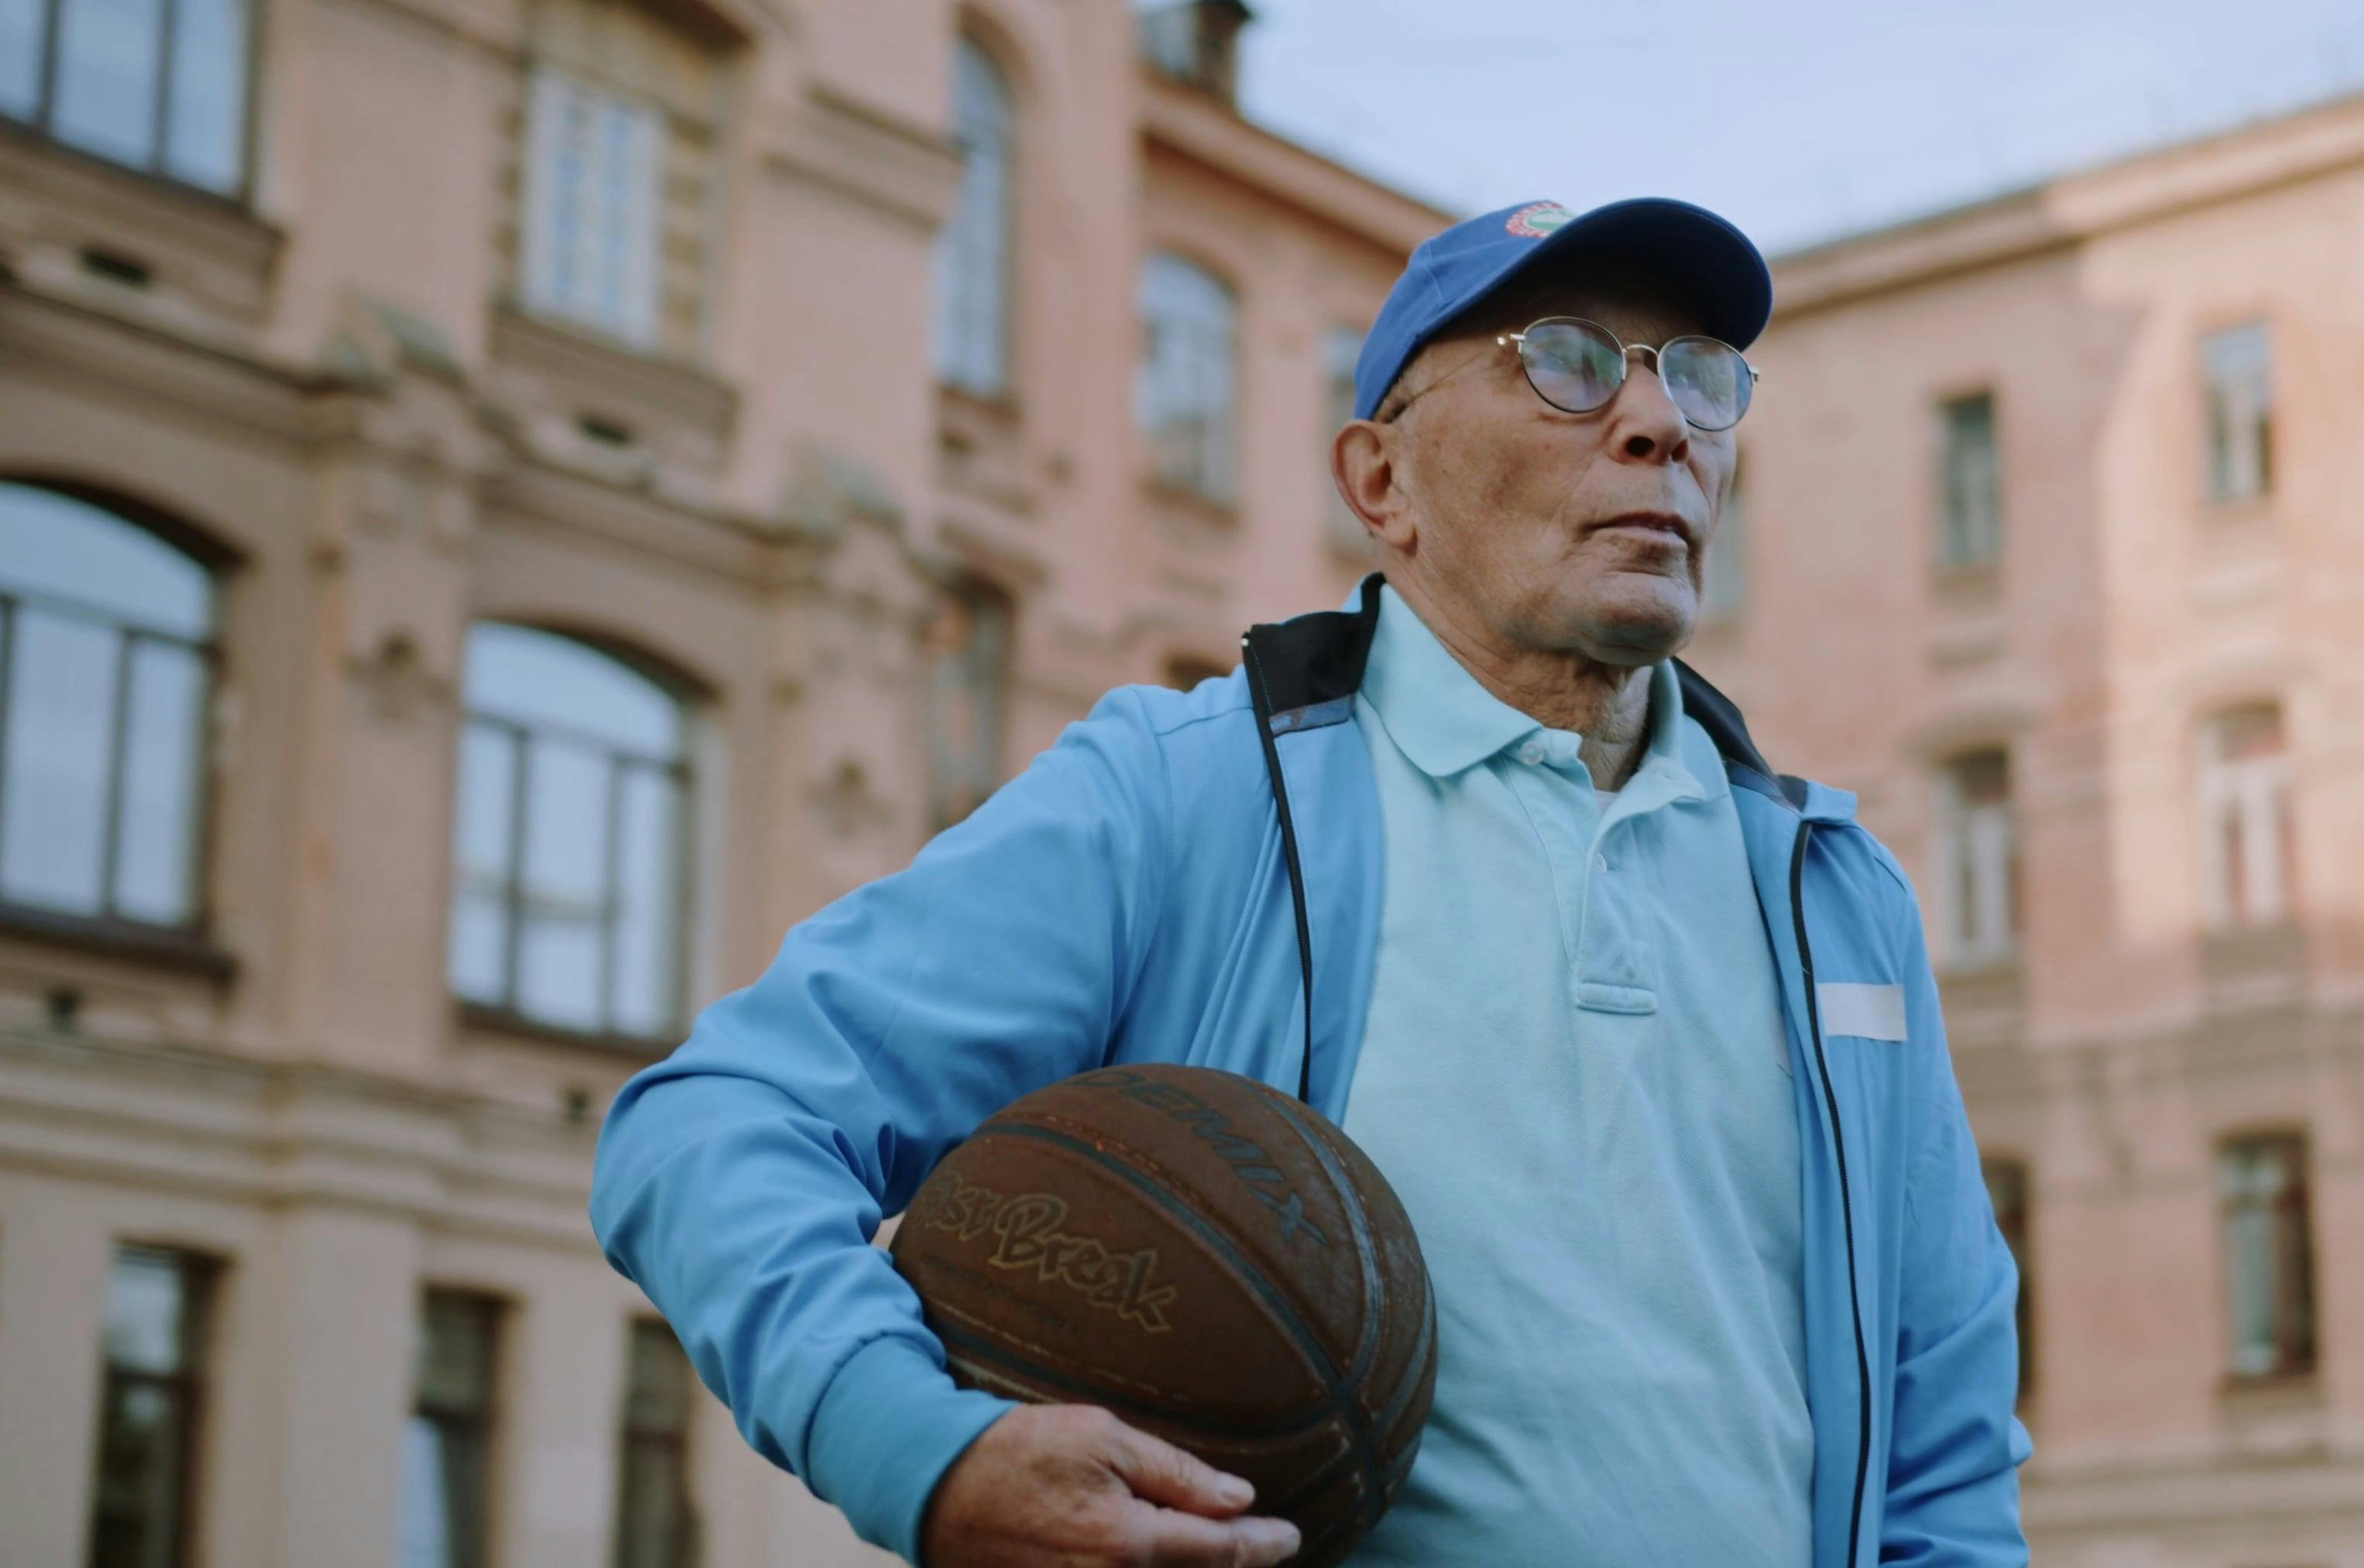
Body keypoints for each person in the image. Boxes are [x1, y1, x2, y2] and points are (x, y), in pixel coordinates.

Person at [590, 196, 2029, 1568]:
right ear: (1381, 481)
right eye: (1567, 365)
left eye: (1701, 377)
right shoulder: (1184, 791)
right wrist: (925, 1455)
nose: (1658, 421)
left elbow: (1944, 1439)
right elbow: (715, 1121)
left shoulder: (1838, 896)